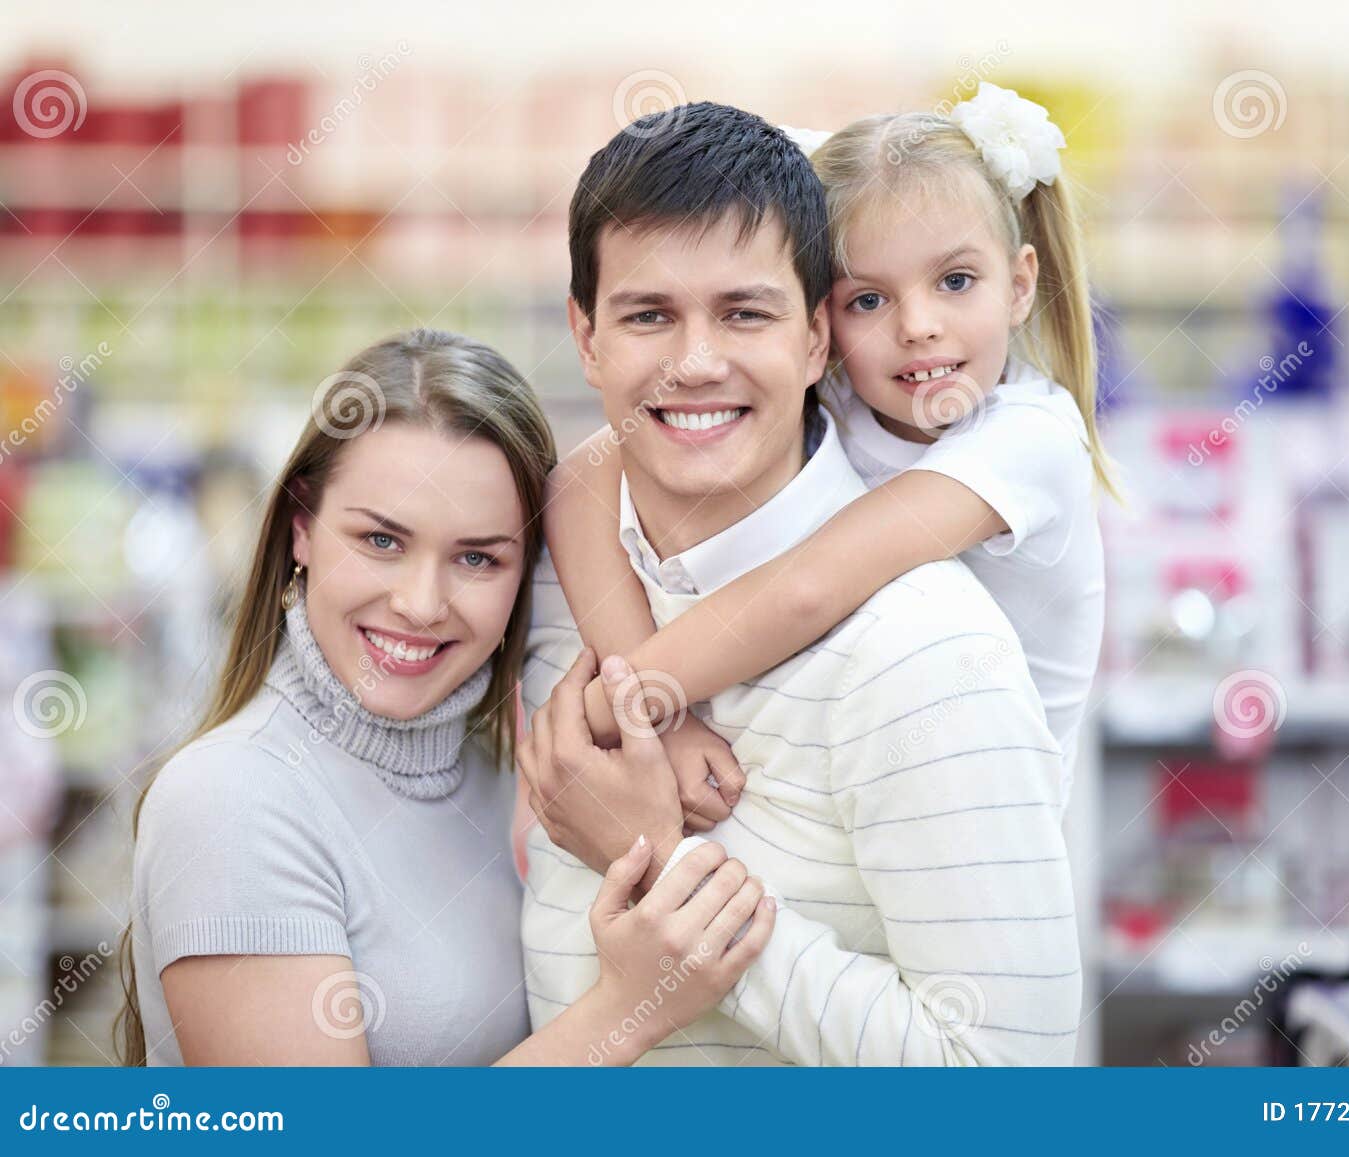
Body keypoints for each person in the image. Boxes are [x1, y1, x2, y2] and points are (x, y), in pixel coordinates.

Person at [517, 102, 1081, 1066]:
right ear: (586, 336)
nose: (697, 363)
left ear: (816, 338)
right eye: (649, 314)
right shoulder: (565, 588)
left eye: (745, 312)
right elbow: (576, 480)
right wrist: (644, 696)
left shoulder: (927, 650)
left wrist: (666, 863)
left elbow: (1008, 1083)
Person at [119, 329, 771, 1067]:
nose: (422, 604)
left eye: (476, 557)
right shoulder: (227, 801)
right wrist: (626, 1009)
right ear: (302, 528)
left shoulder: (494, 773)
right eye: (382, 542)